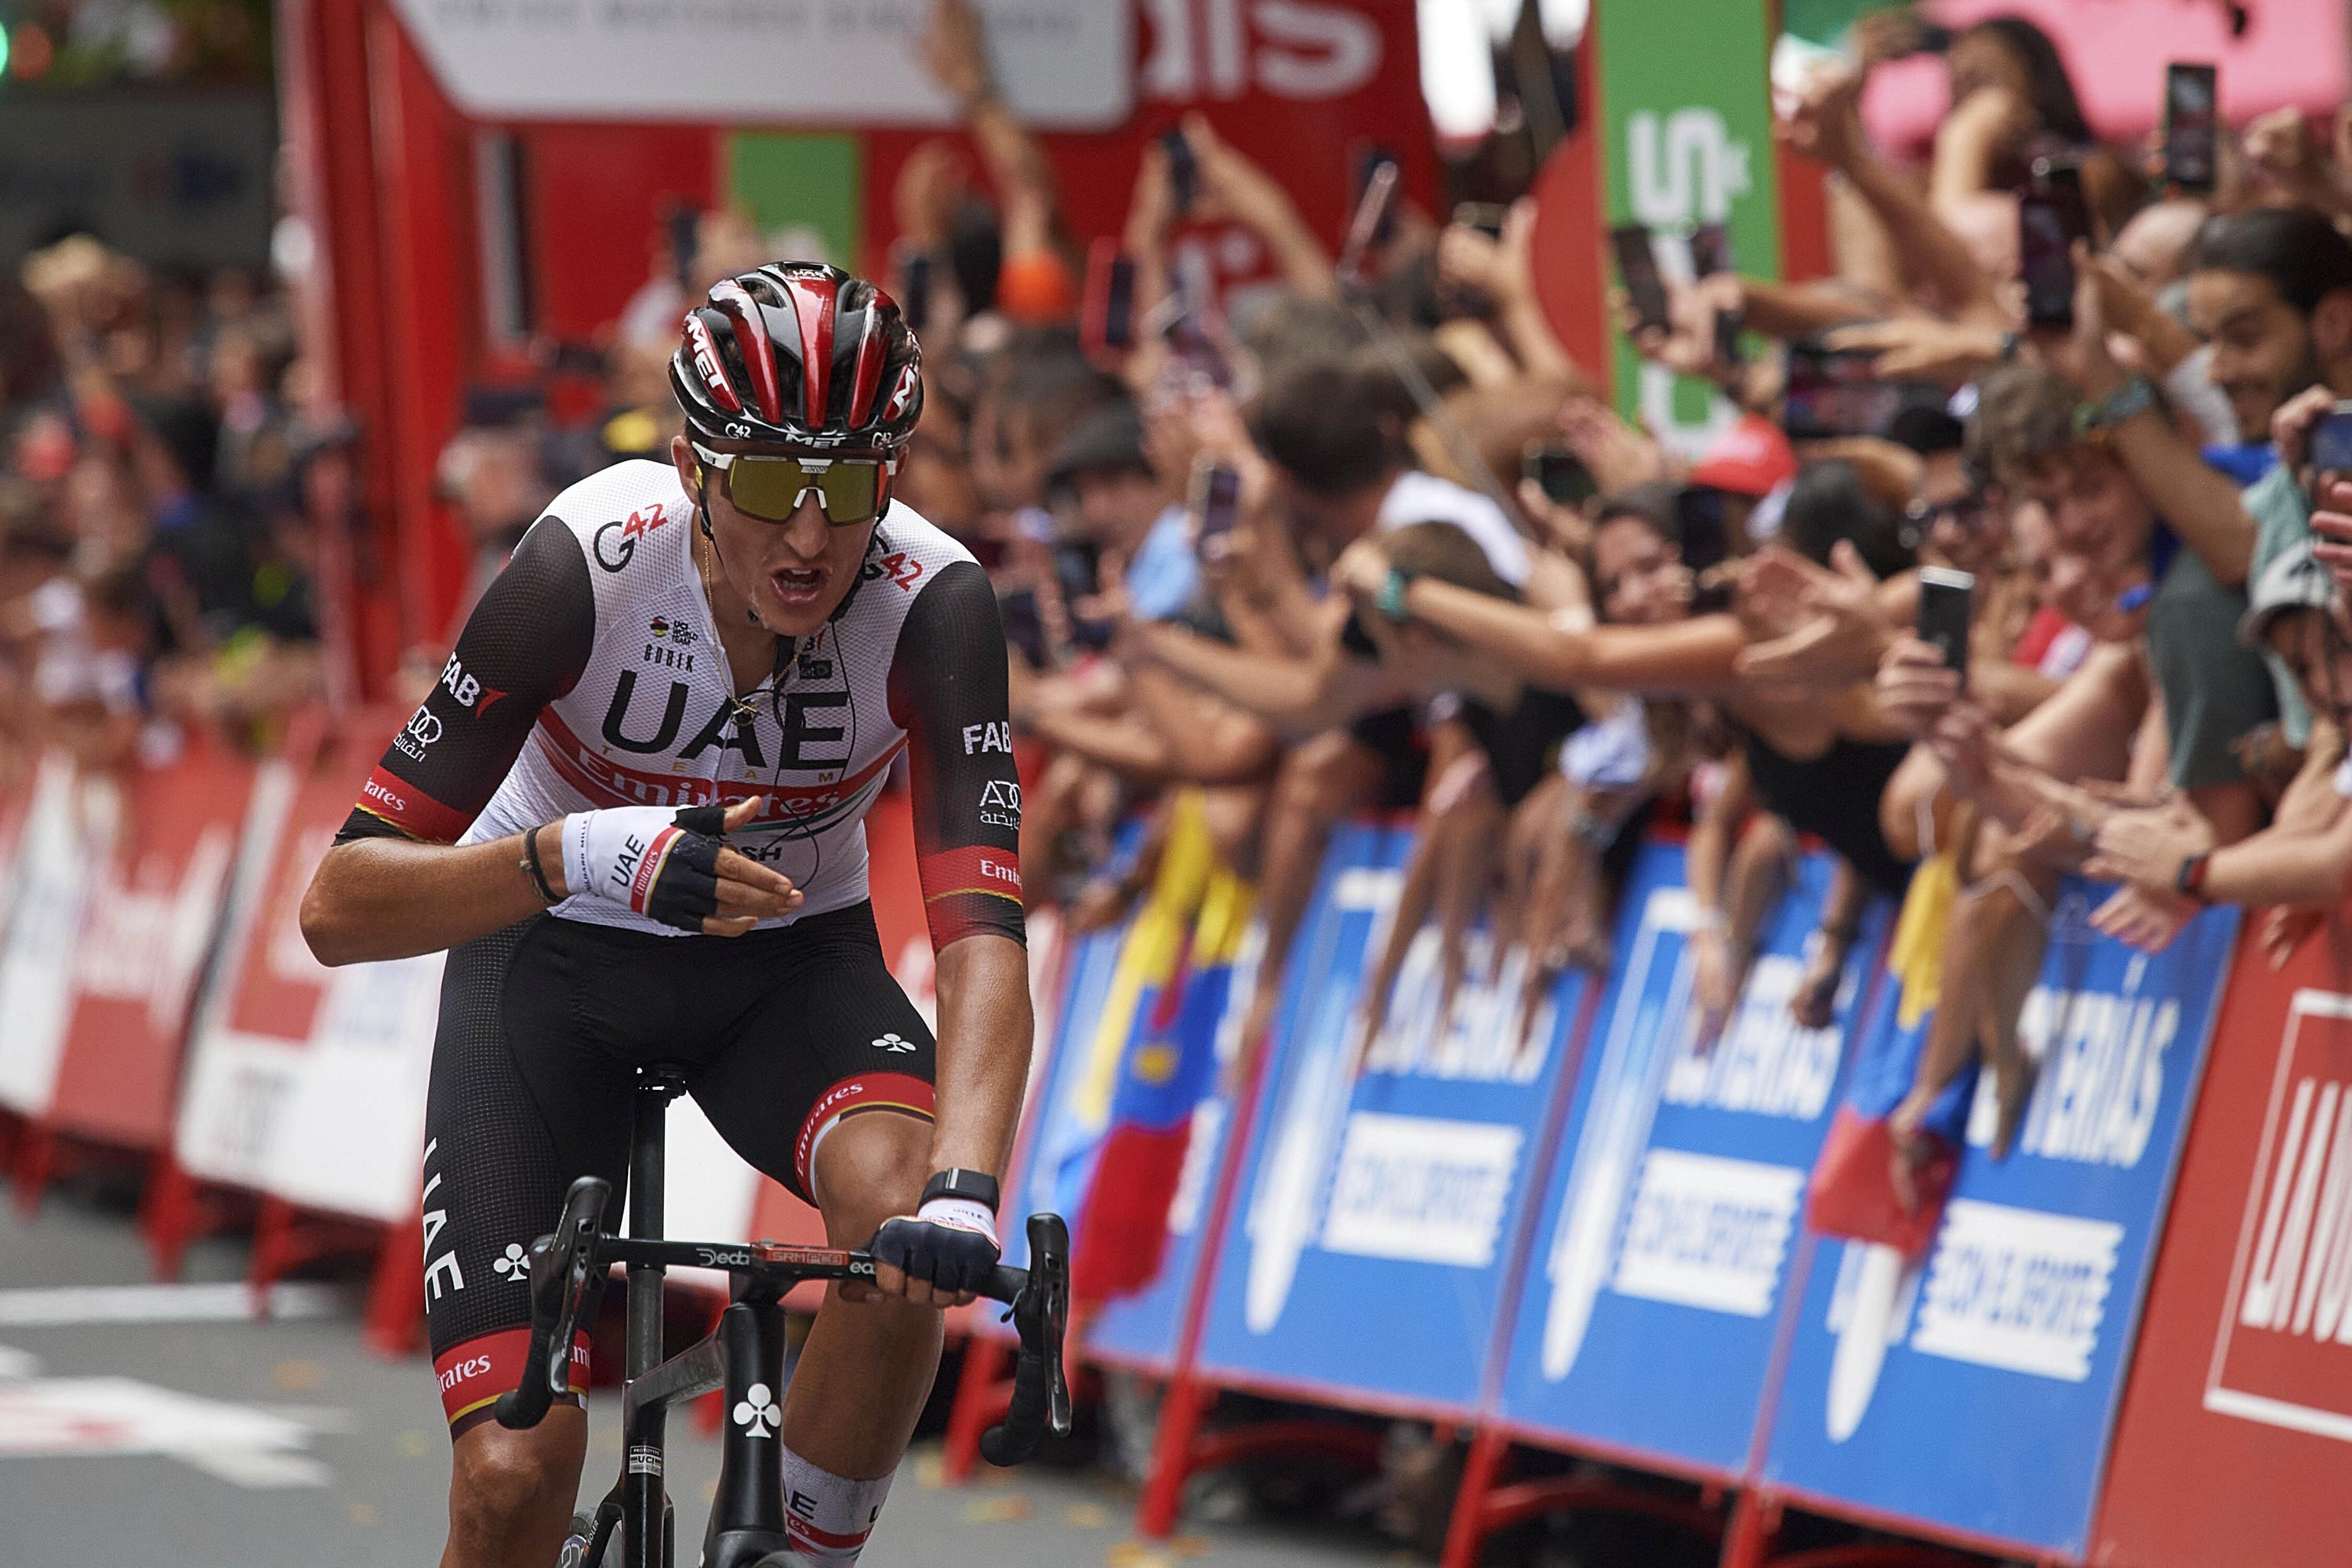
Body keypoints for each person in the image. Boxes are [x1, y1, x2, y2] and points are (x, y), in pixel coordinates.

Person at [299, 263, 1033, 1568]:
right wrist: (581, 853)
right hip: (552, 959)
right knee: (518, 1479)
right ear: (694, 468)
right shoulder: (585, 568)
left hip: (788, 967)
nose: (809, 537)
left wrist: (970, 1191)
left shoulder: (937, 601)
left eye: (852, 486)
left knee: (906, 1213)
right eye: (764, 483)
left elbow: (982, 934)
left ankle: (801, 1552)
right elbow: (339, 905)